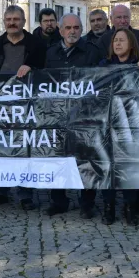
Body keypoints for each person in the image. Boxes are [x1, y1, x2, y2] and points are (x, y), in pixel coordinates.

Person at [0, 5, 47, 209]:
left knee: (25, 148)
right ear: (4, 22)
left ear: (24, 22)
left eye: (16, 19)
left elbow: (47, 71)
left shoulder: (37, 45)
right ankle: (0, 191)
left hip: (28, 106)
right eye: (8, 19)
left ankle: (25, 194)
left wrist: (33, 68)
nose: (12, 23)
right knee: (0, 147)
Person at [44, 14, 100, 217]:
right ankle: (59, 201)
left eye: (76, 27)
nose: (72, 31)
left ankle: (87, 203)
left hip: (85, 114)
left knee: (86, 159)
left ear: (81, 29)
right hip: (58, 114)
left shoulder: (92, 51)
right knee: (58, 157)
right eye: (68, 28)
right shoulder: (51, 52)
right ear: (60, 30)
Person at [99, 27, 139, 225]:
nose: (117, 43)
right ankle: (108, 207)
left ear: (131, 44)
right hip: (108, 122)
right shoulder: (103, 66)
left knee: (129, 165)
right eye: (115, 40)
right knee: (108, 164)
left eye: (122, 40)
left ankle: (129, 207)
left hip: (132, 123)